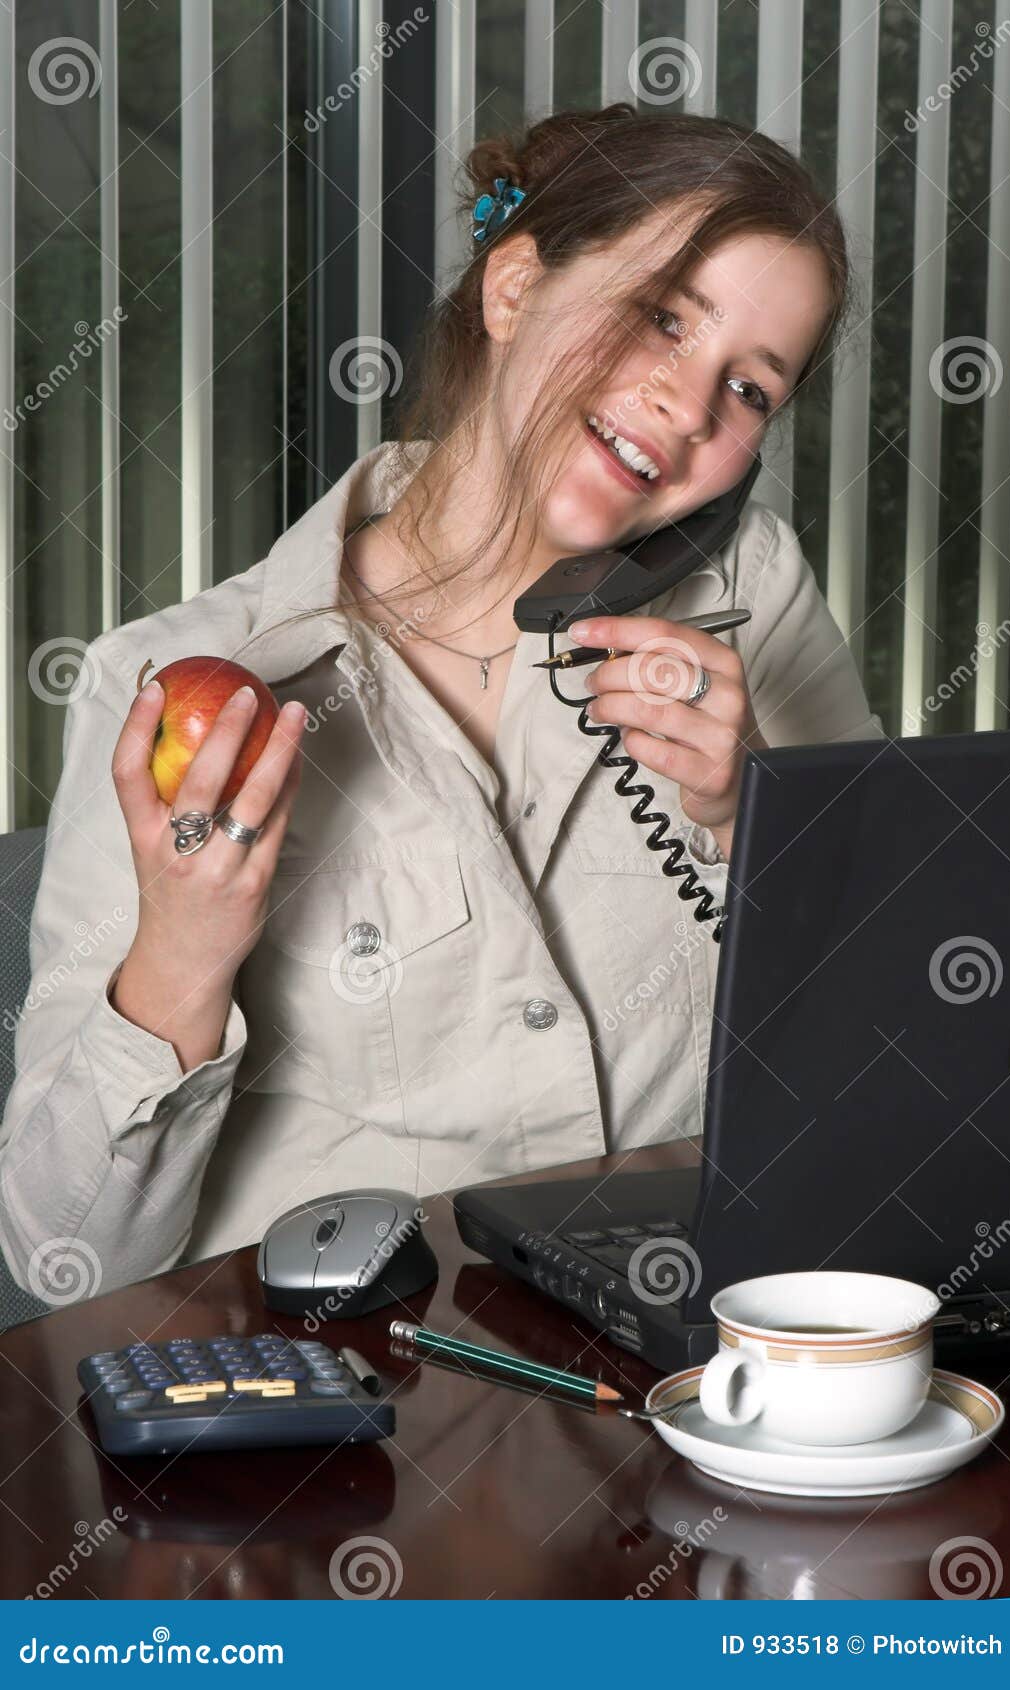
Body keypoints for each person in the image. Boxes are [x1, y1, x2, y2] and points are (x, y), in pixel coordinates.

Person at [0, 105, 882, 1302]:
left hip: (686, 1392)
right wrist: (178, 961)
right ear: (513, 288)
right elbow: (66, 1261)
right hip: (349, 1438)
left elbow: (908, 1071)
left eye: (749, 389)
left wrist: (753, 822)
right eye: (660, 317)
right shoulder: (163, 687)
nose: (687, 407)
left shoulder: (748, 598)